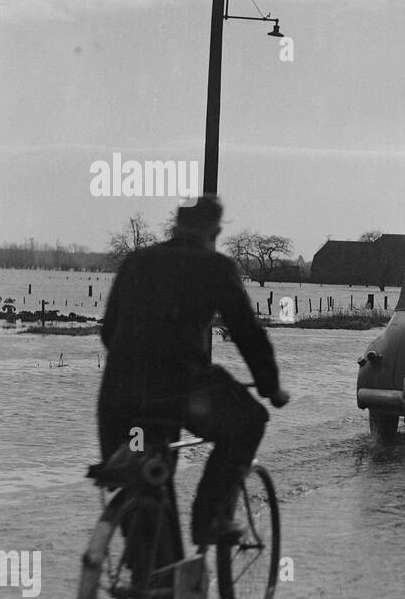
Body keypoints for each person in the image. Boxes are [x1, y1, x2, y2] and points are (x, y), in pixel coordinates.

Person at [96, 196, 289, 567]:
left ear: (176, 227)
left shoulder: (137, 261)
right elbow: (246, 333)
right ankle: (211, 518)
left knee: (143, 477)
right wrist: (270, 387)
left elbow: (109, 331)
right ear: (214, 231)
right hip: (179, 389)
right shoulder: (215, 267)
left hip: (118, 394)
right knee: (250, 421)